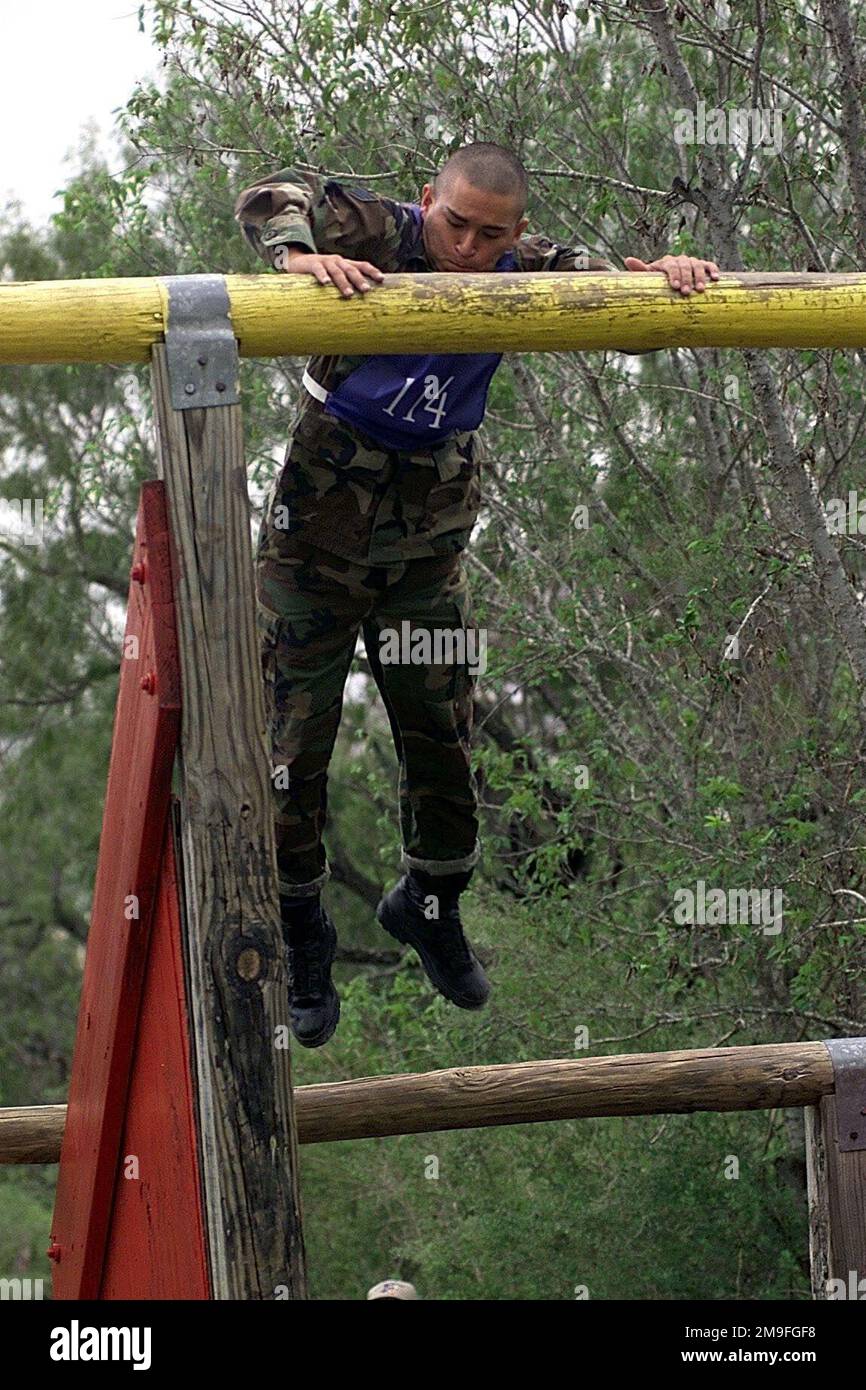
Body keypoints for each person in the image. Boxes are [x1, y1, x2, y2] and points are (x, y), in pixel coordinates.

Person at [233, 141, 720, 1048]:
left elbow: (618, 303)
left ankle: (429, 898)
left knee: (443, 734)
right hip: (318, 541)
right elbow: (273, 193)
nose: (467, 246)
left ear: (516, 231)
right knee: (293, 747)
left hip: (427, 542)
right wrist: (297, 255)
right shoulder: (381, 228)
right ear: (431, 202)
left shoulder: (521, 267)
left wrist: (668, 277)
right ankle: (302, 924)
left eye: (491, 233)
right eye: (456, 223)